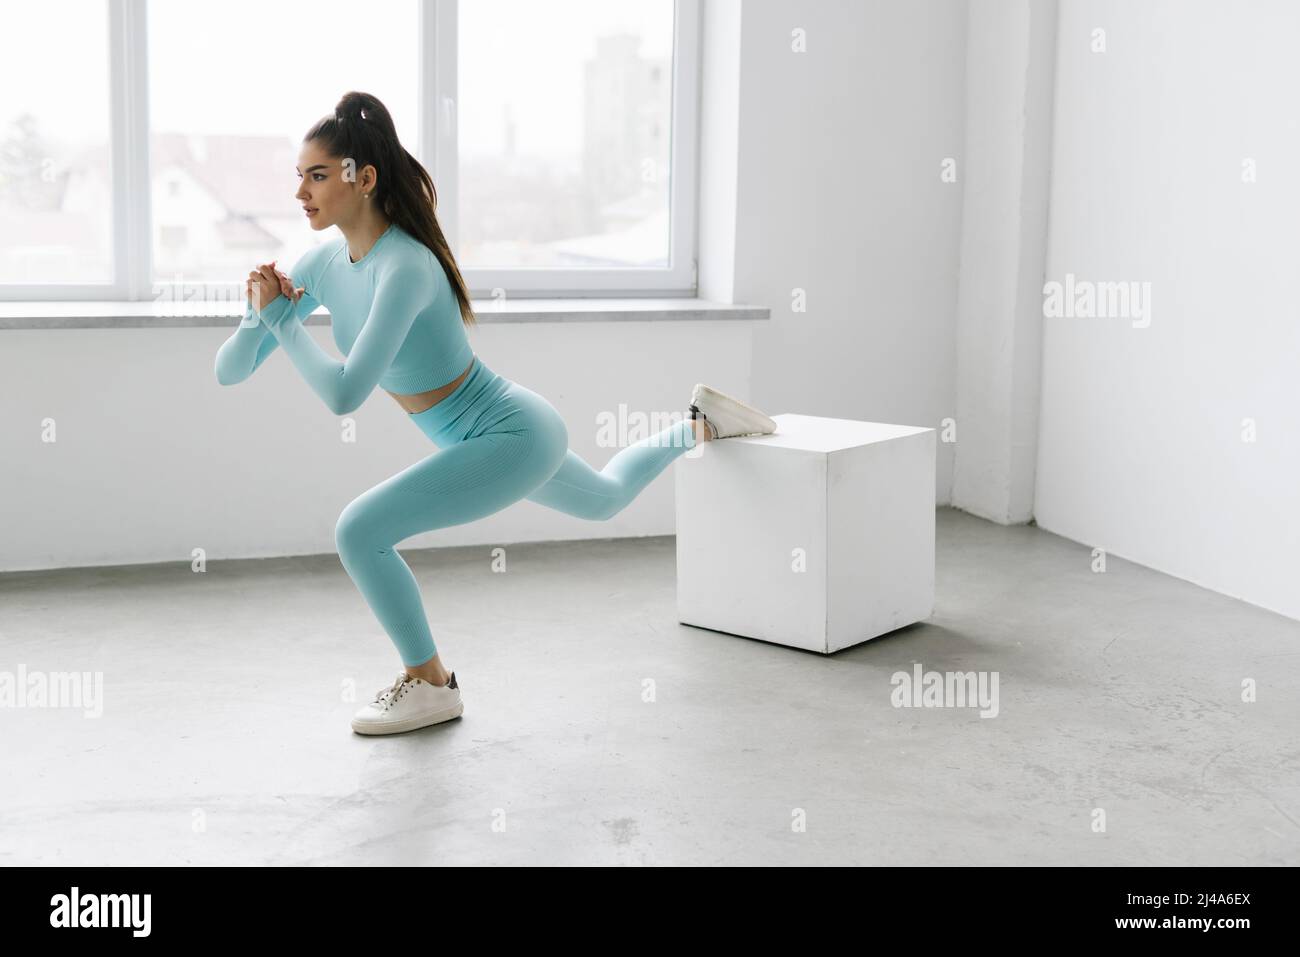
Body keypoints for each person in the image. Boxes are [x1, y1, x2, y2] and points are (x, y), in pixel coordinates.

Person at [215, 91, 777, 736]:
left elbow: (345, 393)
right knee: (605, 499)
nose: (301, 193)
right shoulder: (318, 261)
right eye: (299, 177)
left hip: (510, 432)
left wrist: (284, 326)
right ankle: (701, 423)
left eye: (317, 176)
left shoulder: (406, 267)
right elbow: (229, 371)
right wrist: (256, 313)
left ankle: (431, 683)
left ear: (362, 179)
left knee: (358, 530)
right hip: (498, 434)